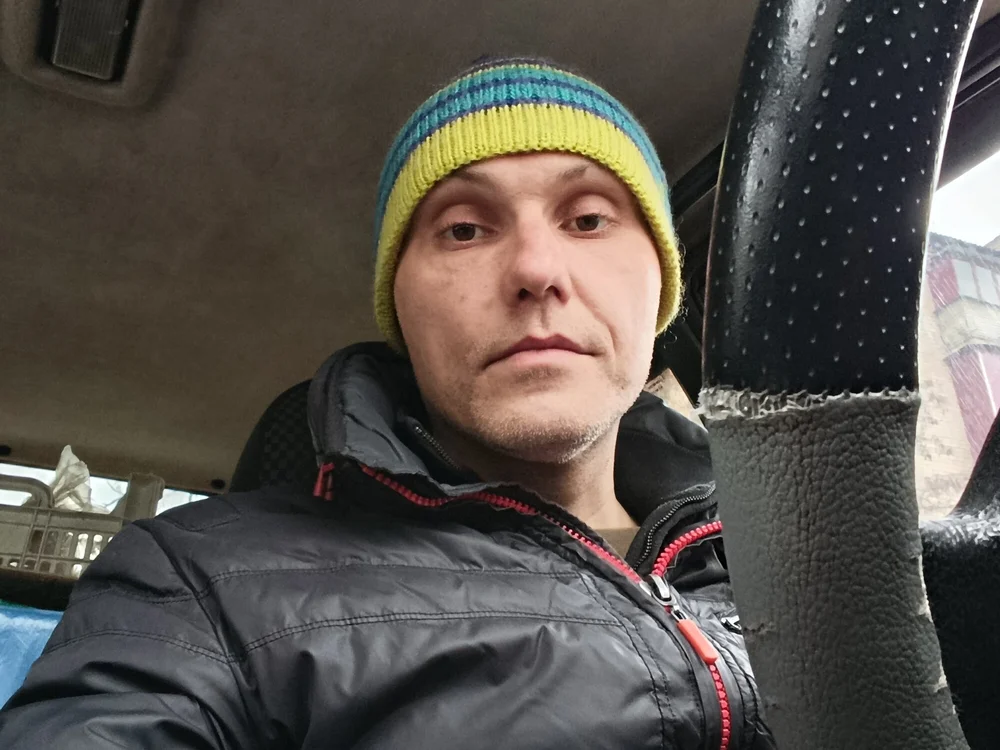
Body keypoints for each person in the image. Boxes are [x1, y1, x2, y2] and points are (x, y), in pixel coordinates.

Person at [0, 57, 774, 749]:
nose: (537, 269)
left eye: (589, 219)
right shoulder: (198, 586)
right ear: (399, 311)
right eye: (464, 230)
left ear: (663, 284)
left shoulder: (797, 553)